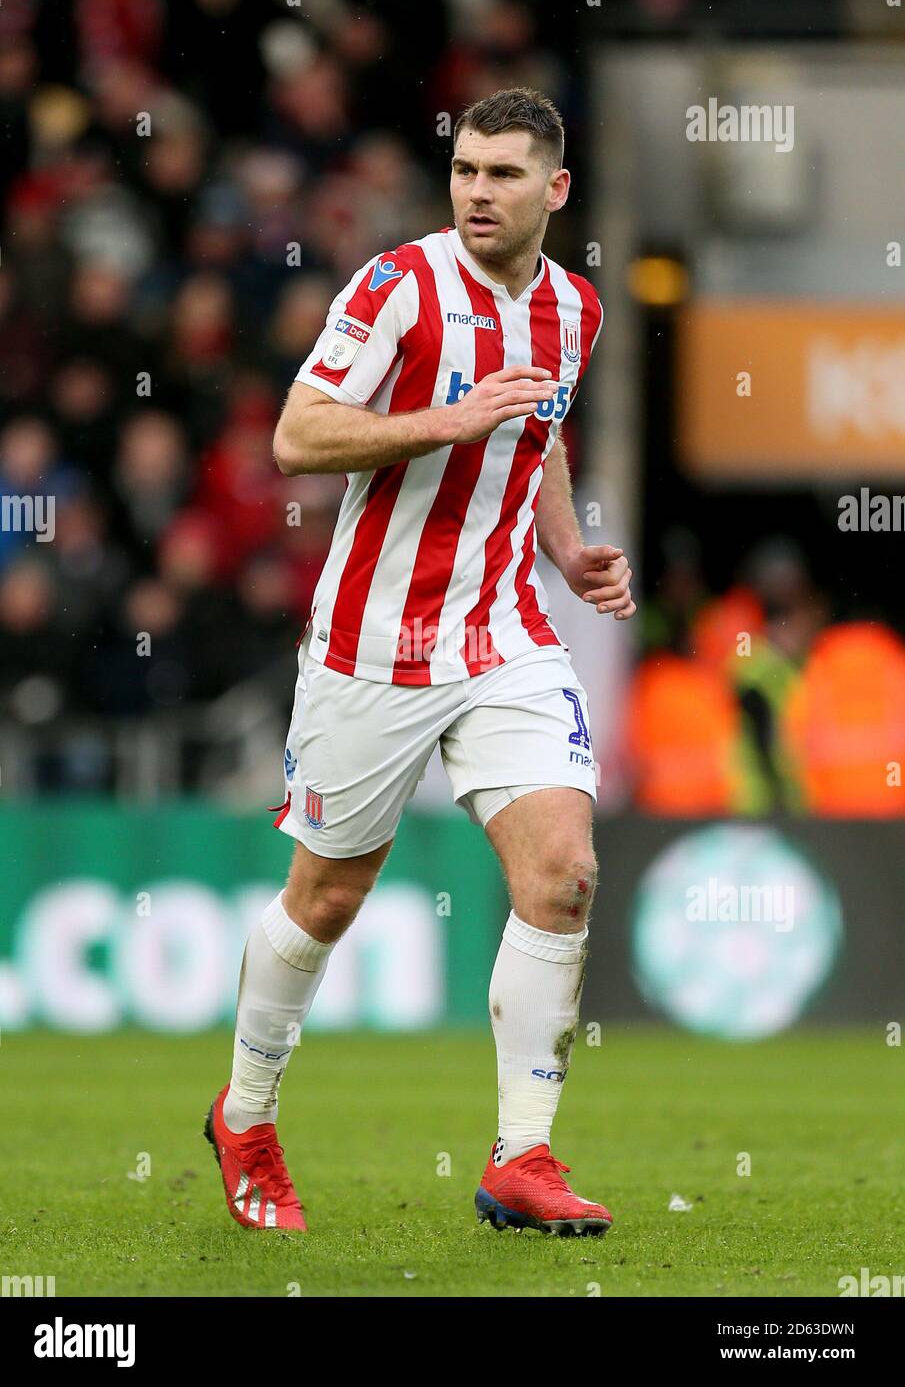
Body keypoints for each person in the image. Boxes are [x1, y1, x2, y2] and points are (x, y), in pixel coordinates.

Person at [204, 87, 636, 1237]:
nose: (477, 192)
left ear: (556, 190)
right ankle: (245, 1115)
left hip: (503, 634)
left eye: (503, 174)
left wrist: (568, 549)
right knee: (329, 894)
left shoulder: (575, 312)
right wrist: (440, 422)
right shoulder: (398, 286)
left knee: (565, 874)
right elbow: (297, 435)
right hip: (371, 644)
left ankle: (522, 1157)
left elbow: (533, 432)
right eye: (464, 170)